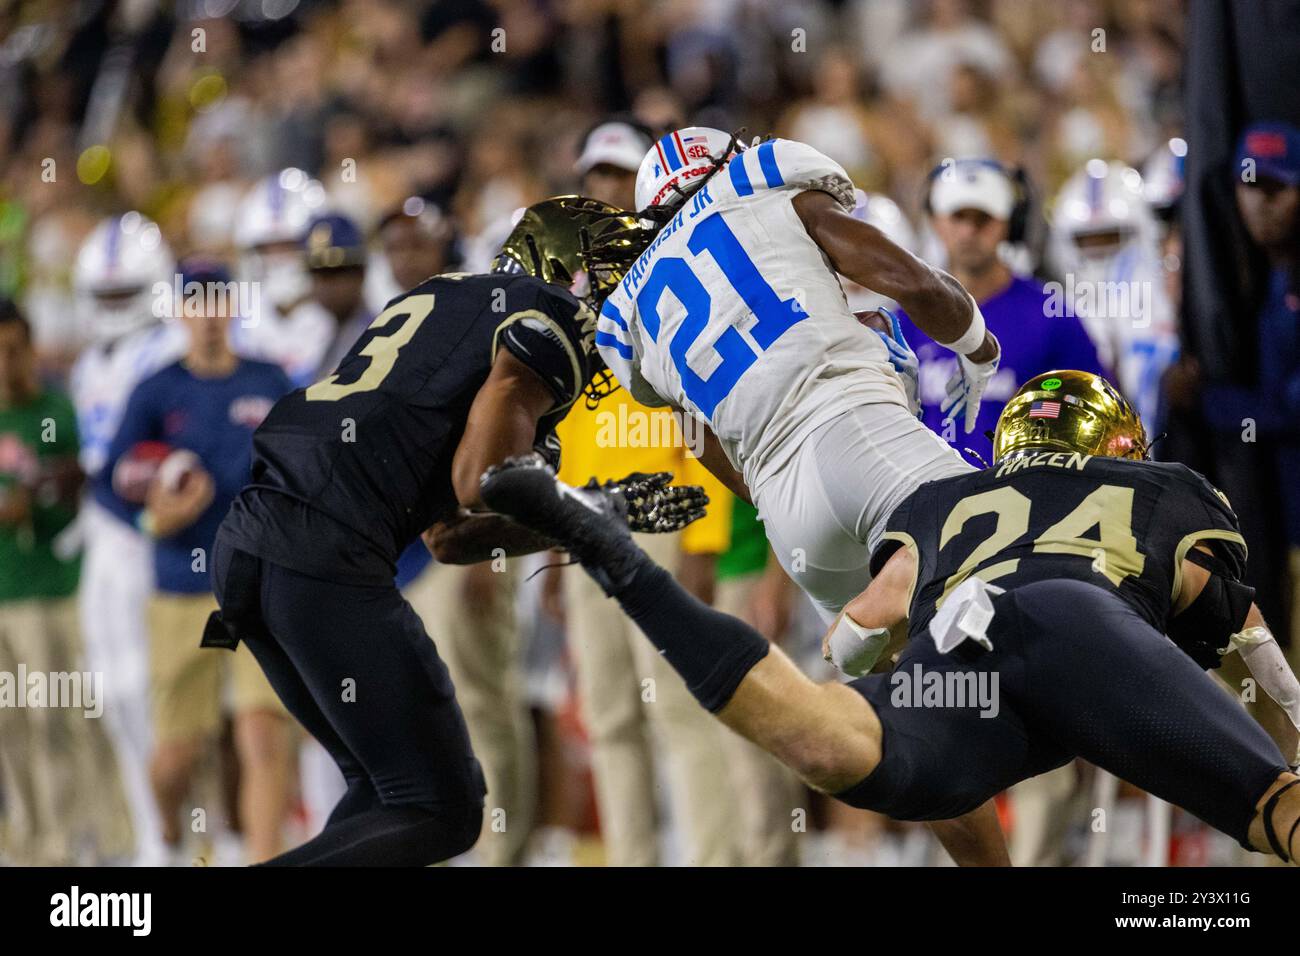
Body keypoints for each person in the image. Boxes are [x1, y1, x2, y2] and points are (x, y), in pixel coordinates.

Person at [480, 370, 1300, 865]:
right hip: (1081, 619)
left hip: (962, 640)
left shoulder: (951, 500)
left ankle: (616, 561)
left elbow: (854, 636)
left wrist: (892, 678)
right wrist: (1281, 742)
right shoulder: (1158, 488)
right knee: (1273, 812)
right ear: (1124, 446)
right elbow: (1248, 632)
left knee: (827, 741)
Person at [208, 198, 705, 866]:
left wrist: (589, 517)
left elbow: (450, 535)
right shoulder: (545, 314)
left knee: (384, 794)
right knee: (442, 808)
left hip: (252, 542)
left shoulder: (444, 300)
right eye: (618, 276)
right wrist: (599, 509)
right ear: (577, 272)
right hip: (326, 552)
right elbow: (486, 480)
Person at [597, 125, 1005, 863]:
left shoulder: (632, 312)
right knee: (1025, 538)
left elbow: (709, 445)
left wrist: (787, 499)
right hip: (854, 429)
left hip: (789, 513)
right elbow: (912, 284)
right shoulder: (761, 183)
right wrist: (978, 342)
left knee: (926, 710)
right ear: (724, 166)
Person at [550, 117, 741, 866]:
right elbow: (560, 419)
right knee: (609, 713)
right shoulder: (564, 287)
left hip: (661, 508)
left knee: (681, 708)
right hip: (583, 510)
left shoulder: (674, 274)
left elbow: (704, 418)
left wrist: (704, 535)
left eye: (615, 176)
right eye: (593, 176)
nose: (602, 189)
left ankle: (714, 857)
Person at [103, 259, 295, 864]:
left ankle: (261, 856)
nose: (208, 315)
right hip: (181, 586)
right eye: (197, 302)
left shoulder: (273, 380)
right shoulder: (157, 390)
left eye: (218, 301)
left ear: (233, 306)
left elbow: (312, 465)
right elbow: (109, 481)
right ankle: (164, 836)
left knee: (262, 732)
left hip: (257, 584)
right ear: (180, 310)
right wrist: (154, 514)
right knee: (177, 753)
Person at [378, 195, 533, 866]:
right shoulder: (403, 317)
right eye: (396, 246)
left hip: (466, 533)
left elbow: (502, 435)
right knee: (423, 707)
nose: (405, 257)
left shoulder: (480, 310)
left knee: (481, 694)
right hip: (407, 547)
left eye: (419, 243)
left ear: (448, 242)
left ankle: (503, 847)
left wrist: (483, 552)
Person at [68, 212, 187, 865]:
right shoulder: (90, 364)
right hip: (102, 537)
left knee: (155, 688)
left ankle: (180, 833)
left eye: (123, 294)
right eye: (104, 297)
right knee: (111, 689)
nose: (114, 308)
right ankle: (148, 832)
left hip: (155, 537)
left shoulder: (169, 351)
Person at [0, 300, 131, 864]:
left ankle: (110, 838)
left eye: (13, 350)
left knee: (72, 715)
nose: (6, 364)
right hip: (5, 591)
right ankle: (36, 846)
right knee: (12, 726)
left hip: (56, 587)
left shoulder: (58, 409)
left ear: (31, 349)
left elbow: (92, 482)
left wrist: (50, 487)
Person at [906, 159, 1105, 460]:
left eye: (982, 219)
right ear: (935, 221)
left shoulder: (1053, 318)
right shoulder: (905, 318)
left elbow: (1094, 417)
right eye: (958, 217)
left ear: (1010, 222)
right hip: (927, 497)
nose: (969, 231)